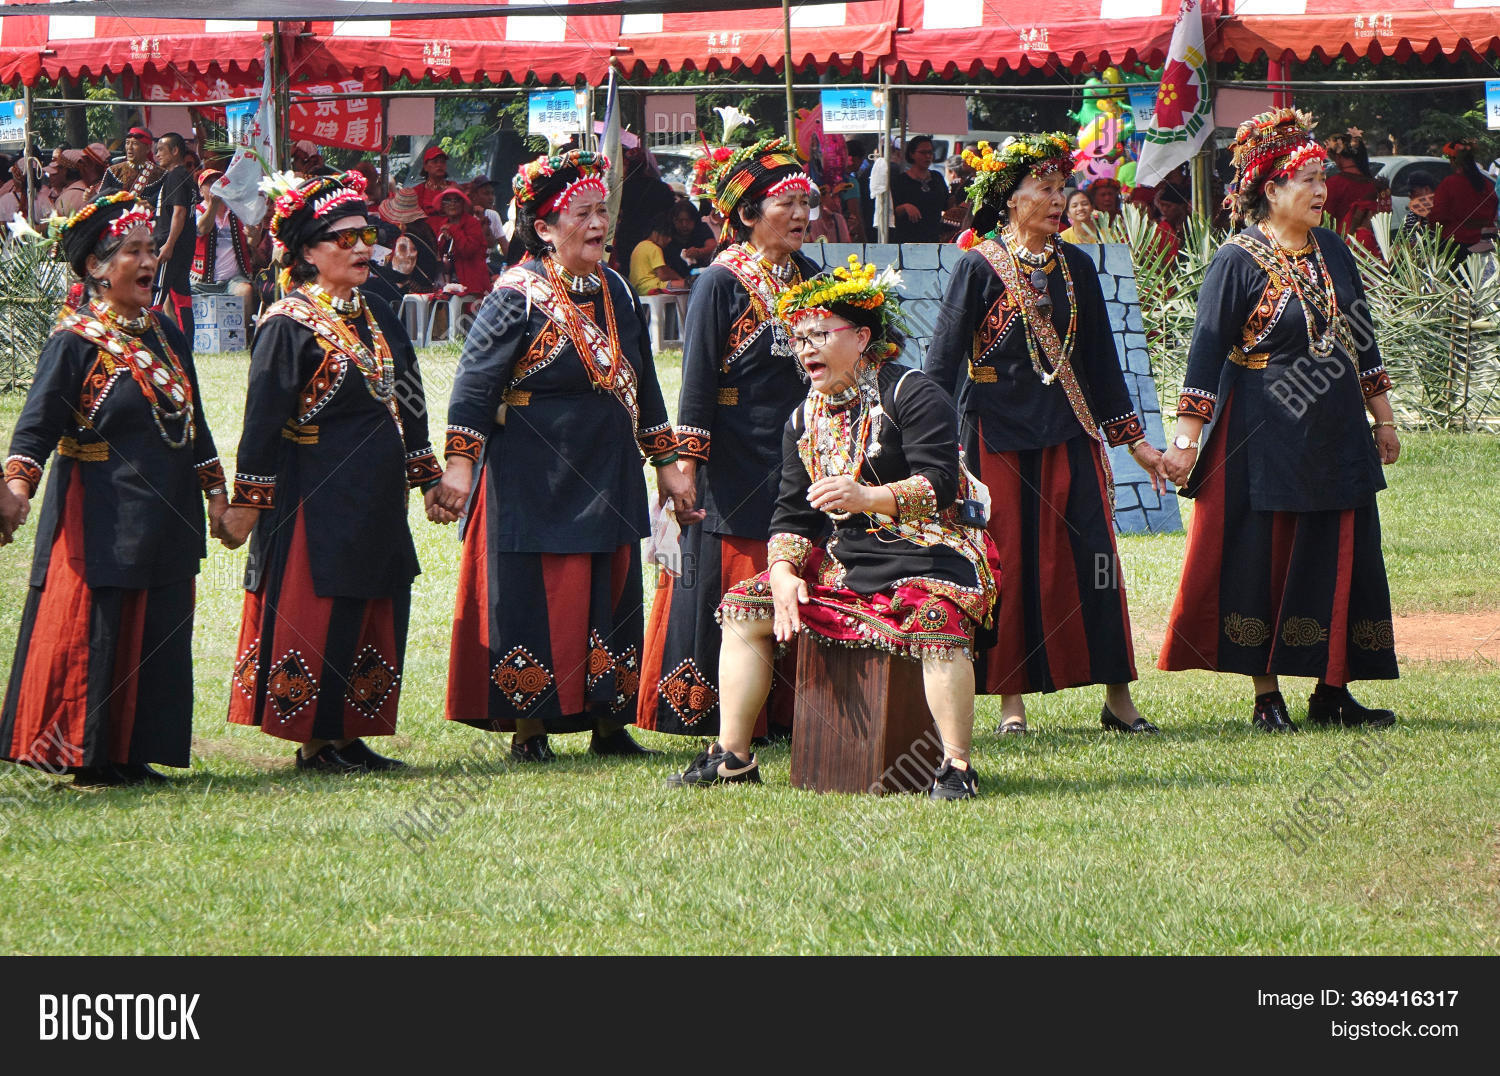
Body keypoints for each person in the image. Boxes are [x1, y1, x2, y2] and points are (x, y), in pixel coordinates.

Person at [670, 258, 999, 797]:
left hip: (936, 551)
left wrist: (869, 497)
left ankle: (957, 767)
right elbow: (791, 513)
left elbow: (941, 484)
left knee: (939, 619)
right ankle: (732, 754)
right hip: (854, 559)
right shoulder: (804, 418)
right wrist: (780, 571)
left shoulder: (913, 392)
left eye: (821, 334)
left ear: (863, 336)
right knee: (742, 606)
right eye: (799, 339)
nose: (806, 349)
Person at [432, 149, 697, 761]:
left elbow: (646, 383)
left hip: (606, 461)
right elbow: (474, 386)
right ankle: (530, 728)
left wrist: (666, 464)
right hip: (533, 469)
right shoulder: (515, 296)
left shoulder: (618, 292)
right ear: (545, 229)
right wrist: (460, 466)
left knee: (610, 586)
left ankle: (608, 720)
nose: (598, 223)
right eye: (583, 213)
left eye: (603, 210)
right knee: (532, 592)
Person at [1158, 108, 1400, 732]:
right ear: (1271, 190)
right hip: (1262, 430)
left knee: (1342, 549)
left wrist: (1383, 418)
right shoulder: (1236, 260)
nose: (1322, 191)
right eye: (1308, 180)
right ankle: (1267, 696)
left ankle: (1333, 689)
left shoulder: (1333, 250)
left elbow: (1362, 333)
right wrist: (1186, 442)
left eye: (1323, 178)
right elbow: (1206, 352)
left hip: (1337, 428)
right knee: (1259, 555)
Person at [926, 133, 1167, 735]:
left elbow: (1102, 365)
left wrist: (1137, 443)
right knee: (1007, 561)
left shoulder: (1076, 266)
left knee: (1094, 559)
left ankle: (1118, 699)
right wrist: (923, 445)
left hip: (1069, 431)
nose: (1060, 200)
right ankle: (1011, 701)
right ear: (1011, 198)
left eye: (1064, 188)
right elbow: (940, 363)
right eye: (1046, 188)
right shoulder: (977, 267)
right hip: (996, 438)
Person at [217, 171, 447, 773]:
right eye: (344, 239)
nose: (363, 247)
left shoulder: (378, 313)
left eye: (365, 234)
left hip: (376, 492)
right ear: (309, 252)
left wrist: (427, 478)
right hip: (314, 494)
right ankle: (315, 739)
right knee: (325, 605)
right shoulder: (286, 324)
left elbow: (411, 396)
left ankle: (350, 731)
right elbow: (262, 421)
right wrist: (247, 501)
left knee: (376, 601)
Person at [1, 193, 225, 786]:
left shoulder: (167, 336)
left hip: (168, 510)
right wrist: (17, 490)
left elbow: (193, 424)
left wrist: (218, 496)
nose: (149, 260)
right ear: (98, 268)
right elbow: (36, 429)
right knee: (100, 629)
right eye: (134, 251)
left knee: (158, 631)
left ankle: (136, 750)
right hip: (99, 511)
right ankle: (87, 753)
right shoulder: (75, 341)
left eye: (152, 249)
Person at [637, 137, 819, 739]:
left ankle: (790, 710)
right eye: (785, 203)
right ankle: (723, 713)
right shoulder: (721, 281)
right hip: (736, 449)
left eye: (805, 203)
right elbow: (697, 380)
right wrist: (684, 464)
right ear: (746, 214)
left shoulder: (812, 277)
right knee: (739, 568)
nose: (800, 215)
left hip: (800, 447)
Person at [192, 168, 259, 313]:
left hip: (232, 280)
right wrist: (213, 205)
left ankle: (246, 334)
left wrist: (253, 234)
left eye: (218, 182)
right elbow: (202, 229)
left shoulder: (237, 211)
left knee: (245, 291)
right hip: (201, 281)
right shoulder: (197, 211)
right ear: (201, 191)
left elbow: (252, 243)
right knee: (178, 297)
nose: (215, 185)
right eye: (209, 183)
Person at [152, 133, 197, 341]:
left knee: (158, 291)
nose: (157, 154)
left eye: (161, 149)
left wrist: (168, 244)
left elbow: (179, 212)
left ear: (175, 151)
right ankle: (187, 343)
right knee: (181, 295)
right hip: (184, 245)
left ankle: (150, 336)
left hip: (170, 245)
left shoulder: (176, 176)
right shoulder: (185, 176)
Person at [1431, 138, 1499, 256]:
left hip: (1455, 244)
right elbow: (1493, 210)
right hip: (1484, 243)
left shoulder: (1449, 183)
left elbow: (1438, 214)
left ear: (1454, 161)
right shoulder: (1486, 184)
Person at [374, 186, 441, 293]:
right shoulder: (426, 229)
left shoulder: (406, 239)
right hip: (428, 287)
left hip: (414, 290)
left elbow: (399, 274)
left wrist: (376, 268)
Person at [890, 135, 948, 244]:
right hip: (908, 239)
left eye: (930, 152)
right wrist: (905, 207)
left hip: (934, 238)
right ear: (912, 154)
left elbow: (947, 204)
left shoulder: (937, 177)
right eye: (923, 152)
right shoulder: (901, 180)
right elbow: (893, 211)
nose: (927, 156)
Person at [434, 186, 489, 296]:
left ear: (462, 204)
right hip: (448, 282)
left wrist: (453, 230)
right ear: (443, 205)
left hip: (472, 282)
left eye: (456, 200)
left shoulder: (472, 224)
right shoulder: (443, 224)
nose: (452, 204)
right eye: (448, 200)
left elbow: (468, 250)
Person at [1322, 131, 1377, 234]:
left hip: (1339, 242)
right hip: (1367, 243)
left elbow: (1324, 220)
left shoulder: (1333, 184)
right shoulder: (1373, 185)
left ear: (1337, 157)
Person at [629, 212, 686, 295]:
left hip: (637, 289)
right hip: (651, 286)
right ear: (656, 233)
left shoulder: (640, 246)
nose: (669, 239)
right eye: (666, 235)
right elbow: (663, 275)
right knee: (686, 284)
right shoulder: (654, 248)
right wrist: (678, 277)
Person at [99, 127, 162, 201]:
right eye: (127, 143)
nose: (129, 147)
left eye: (135, 143)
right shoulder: (113, 171)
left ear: (147, 148)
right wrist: (92, 196)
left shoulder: (161, 175)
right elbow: (101, 201)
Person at [663, 198, 716, 276]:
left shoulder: (702, 229)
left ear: (695, 220)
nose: (684, 225)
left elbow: (713, 247)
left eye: (688, 220)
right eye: (680, 221)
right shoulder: (667, 233)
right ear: (674, 221)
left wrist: (699, 252)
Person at [411, 144, 450, 225]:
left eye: (442, 162)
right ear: (425, 167)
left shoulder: (454, 188)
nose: (439, 165)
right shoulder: (417, 191)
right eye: (435, 161)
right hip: (424, 235)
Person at [1399, 170, 1439, 238]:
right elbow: (1400, 241)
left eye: (1413, 192)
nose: (1410, 196)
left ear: (1426, 189)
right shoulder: (1411, 216)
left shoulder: (1439, 214)